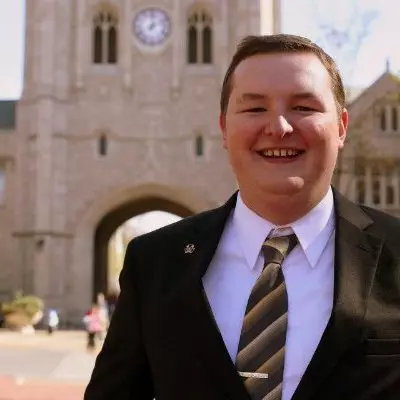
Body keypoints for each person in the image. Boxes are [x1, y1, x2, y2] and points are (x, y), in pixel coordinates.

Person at [84, 34, 400, 400]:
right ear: (223, 128)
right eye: (254, 109)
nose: (279, 127)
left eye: (304, 107)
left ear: (342, 127)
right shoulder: (155, 263)